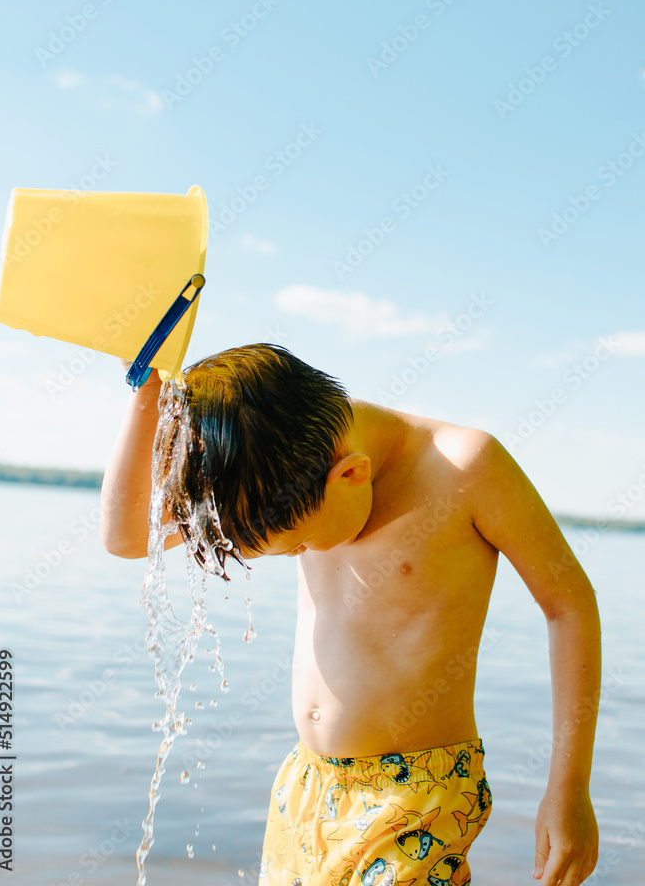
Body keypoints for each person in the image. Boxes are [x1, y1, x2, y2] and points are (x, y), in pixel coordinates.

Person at [100, 343, 601, 886]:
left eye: (298, 546)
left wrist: (568, 787)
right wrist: (147, 388)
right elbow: (127, 537)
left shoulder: (464, 469)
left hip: (418, 796)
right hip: (306, 786)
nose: (298, 557)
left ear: (351, 475)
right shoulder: (268, 457)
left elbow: (567, 604)